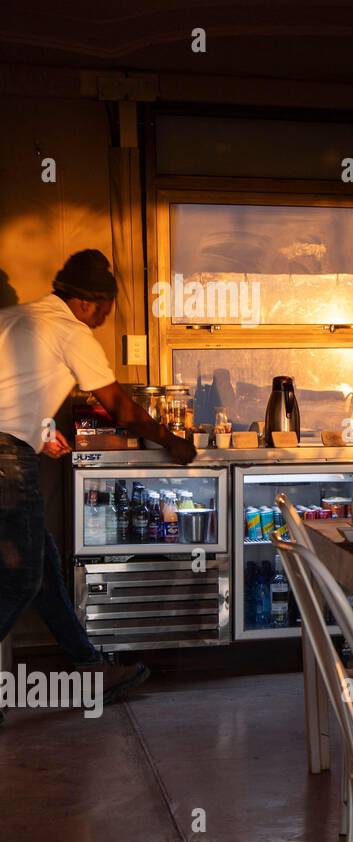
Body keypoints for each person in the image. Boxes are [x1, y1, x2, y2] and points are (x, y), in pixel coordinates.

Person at [0, 250, 197, 723]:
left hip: (10, 447)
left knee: (42, 566)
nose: (107, 317)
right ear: (88, 303)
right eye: (107, 307)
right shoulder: (71, 331)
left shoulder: (14, 318)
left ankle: (89, 668)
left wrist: (42, 431)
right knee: (23, 576)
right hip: (6, 460)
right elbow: (121, 409)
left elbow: (13, 389)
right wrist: (172, 441)